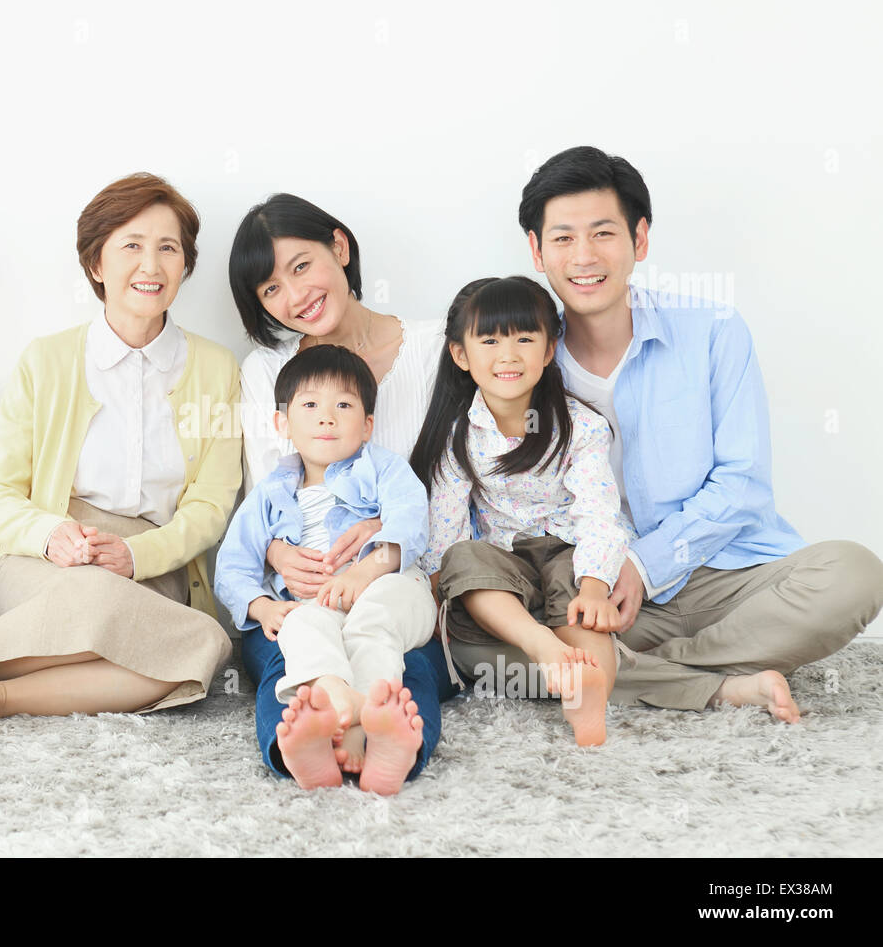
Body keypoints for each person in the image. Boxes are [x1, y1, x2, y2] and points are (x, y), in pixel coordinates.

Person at [499, 145, 883, 721]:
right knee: (479, 632)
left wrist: (645, 565)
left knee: (854, 574)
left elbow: (742, 483)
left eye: (603, 233)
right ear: (536, 250)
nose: (584, 256)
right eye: (562, 238)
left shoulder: (714, 332)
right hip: (595, 592)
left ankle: (637, 672)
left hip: (726, 577)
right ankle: (717, 680)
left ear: (640, 239)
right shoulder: (519, 360)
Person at [0, 174, 238, 733]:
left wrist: (138, 556)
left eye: (169, 248)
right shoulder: (47, 361)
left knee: (204, 646)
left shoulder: (217, 369)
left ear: (185, 265)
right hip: (47, 557)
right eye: (131, 246)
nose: (152, 265)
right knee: (103, 606)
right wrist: (50, 533)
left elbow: (212, 504)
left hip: (150, 563)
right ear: (97, 265)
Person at [228, 192, 458, 786]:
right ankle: (303, 749)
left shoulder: (440, 348)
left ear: (340, 247)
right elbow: (263, 510)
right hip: (305, 592)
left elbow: (452, 488)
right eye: (270, 289)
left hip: (400, 578)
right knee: (294, 658)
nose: (294, 296)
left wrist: (386, 550)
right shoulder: (265, 373)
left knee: (409, 663)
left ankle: (391, 748)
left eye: (301, 266)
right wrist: (279, 569)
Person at [410, 276, 632, 746]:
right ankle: (544, 649)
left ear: (550, 350)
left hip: (567, 554)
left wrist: (594, 588)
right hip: (505, 567)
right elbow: (445, 527)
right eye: (489, 340)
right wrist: (431, 595)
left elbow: (599, 514)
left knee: (580, 609)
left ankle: (587, 699)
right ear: (461, 355)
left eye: (524, 338)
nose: (508, 355)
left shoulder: (582, 427)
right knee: (464, 558)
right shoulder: (458, 435)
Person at [216, 345, 436, 793]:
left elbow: (412, 520)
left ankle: (364, 728)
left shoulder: (382, 469)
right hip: (315, 603)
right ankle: (340, 705)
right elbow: (232, 564)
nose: (327, 418)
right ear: (282, 423)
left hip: (386, 587)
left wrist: (366, 569)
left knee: (376, 625)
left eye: (344, 405)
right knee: (299, 629)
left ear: (368, 424)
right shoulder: (270, 494)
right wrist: (263, 608)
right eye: (310, 405)